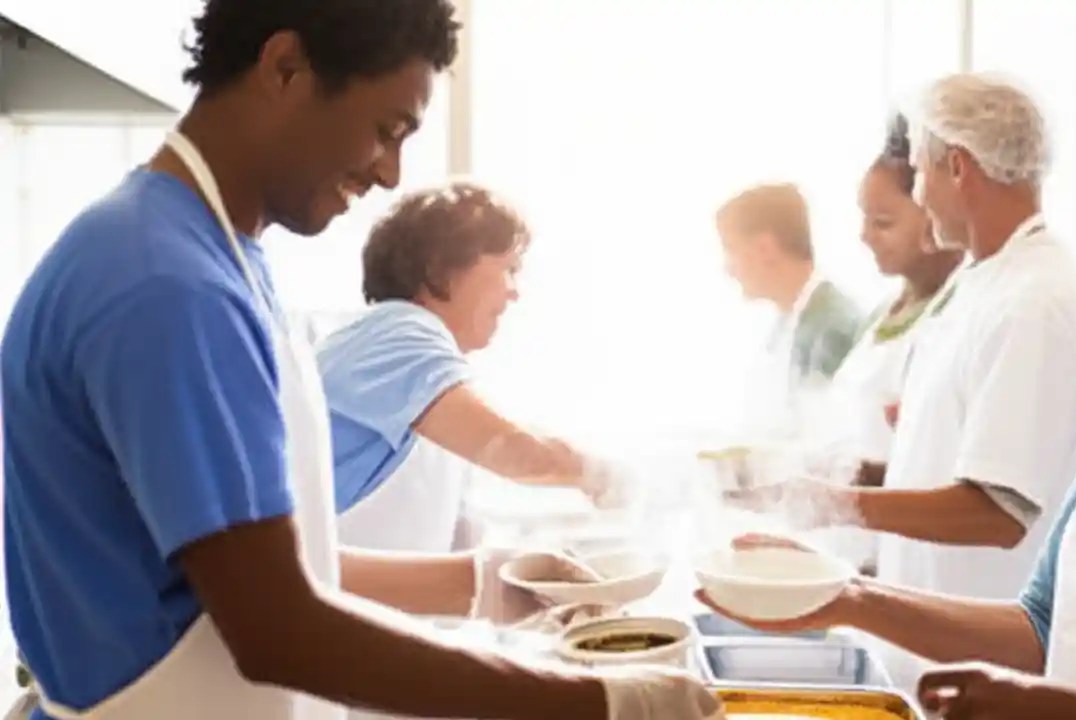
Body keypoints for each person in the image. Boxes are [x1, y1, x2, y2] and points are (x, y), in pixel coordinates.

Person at [0, 2, 720, 719]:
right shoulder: (167, 285)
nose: (389, 172)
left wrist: (479, 582)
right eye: (387, 130)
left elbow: (265, 572)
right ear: (286, 67)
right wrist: (597, 702)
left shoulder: (209, 255)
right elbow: (277, 630)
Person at [701, 52, 1076, 719]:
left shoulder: (1040, 301)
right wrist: (839, 596)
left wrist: (1052, 711)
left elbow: (997, 514)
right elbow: (1042, 624)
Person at [755, 73, 1076, 691]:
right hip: (926, 650)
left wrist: (835, 506)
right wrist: (827, 478)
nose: (919, 194)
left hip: (989, 668)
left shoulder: (1036, 302)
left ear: (958, 168)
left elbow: (996, 514)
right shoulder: (977, 284)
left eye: (919, 174)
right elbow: (937, 463)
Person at [319, 182, 605, 554]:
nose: (514, 291)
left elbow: (450, 527)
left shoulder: (417, 373)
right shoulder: (398, 331)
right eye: (509, 268)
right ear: (440, 268)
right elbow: (517, 451)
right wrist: (609, 478)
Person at [803, 114, 965, 575]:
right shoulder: (883, 314)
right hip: (848, 558)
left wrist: (841, 488)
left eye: (883, 221)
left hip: (899, 564)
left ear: (935, 207)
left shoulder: (955, 318)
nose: (864, 235)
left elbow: (936, 469)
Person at [716, 182, 864, 396]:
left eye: (730, 249)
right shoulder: (788, 324)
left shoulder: (834, 329)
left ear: (764, 249)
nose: (728, 269)